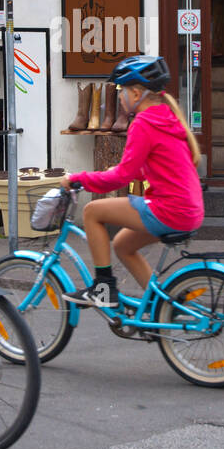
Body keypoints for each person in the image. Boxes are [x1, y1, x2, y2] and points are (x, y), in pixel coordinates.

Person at [59, 55, 202, 308]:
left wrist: (78, 178)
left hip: (169, 209)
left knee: (92, 211)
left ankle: (103, 289)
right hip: (187, 208)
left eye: (122, 90)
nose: (121, 97)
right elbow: (162, 167)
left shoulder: (144, 123)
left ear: (136, 93)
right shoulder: (165, 117)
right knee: (123, 245)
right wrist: (132, 171)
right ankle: (162, 307)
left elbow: (120, 178)